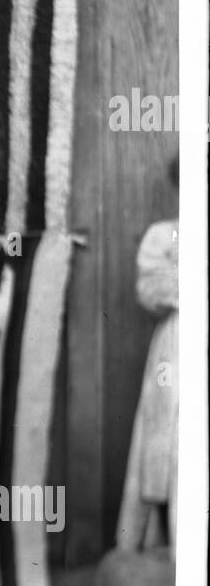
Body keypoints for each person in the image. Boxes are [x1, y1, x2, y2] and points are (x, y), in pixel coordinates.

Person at [115, 163, 179, 552]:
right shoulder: (165, 234)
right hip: (179, 342)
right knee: (171, 434)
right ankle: (164, 548)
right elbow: (151, 289)